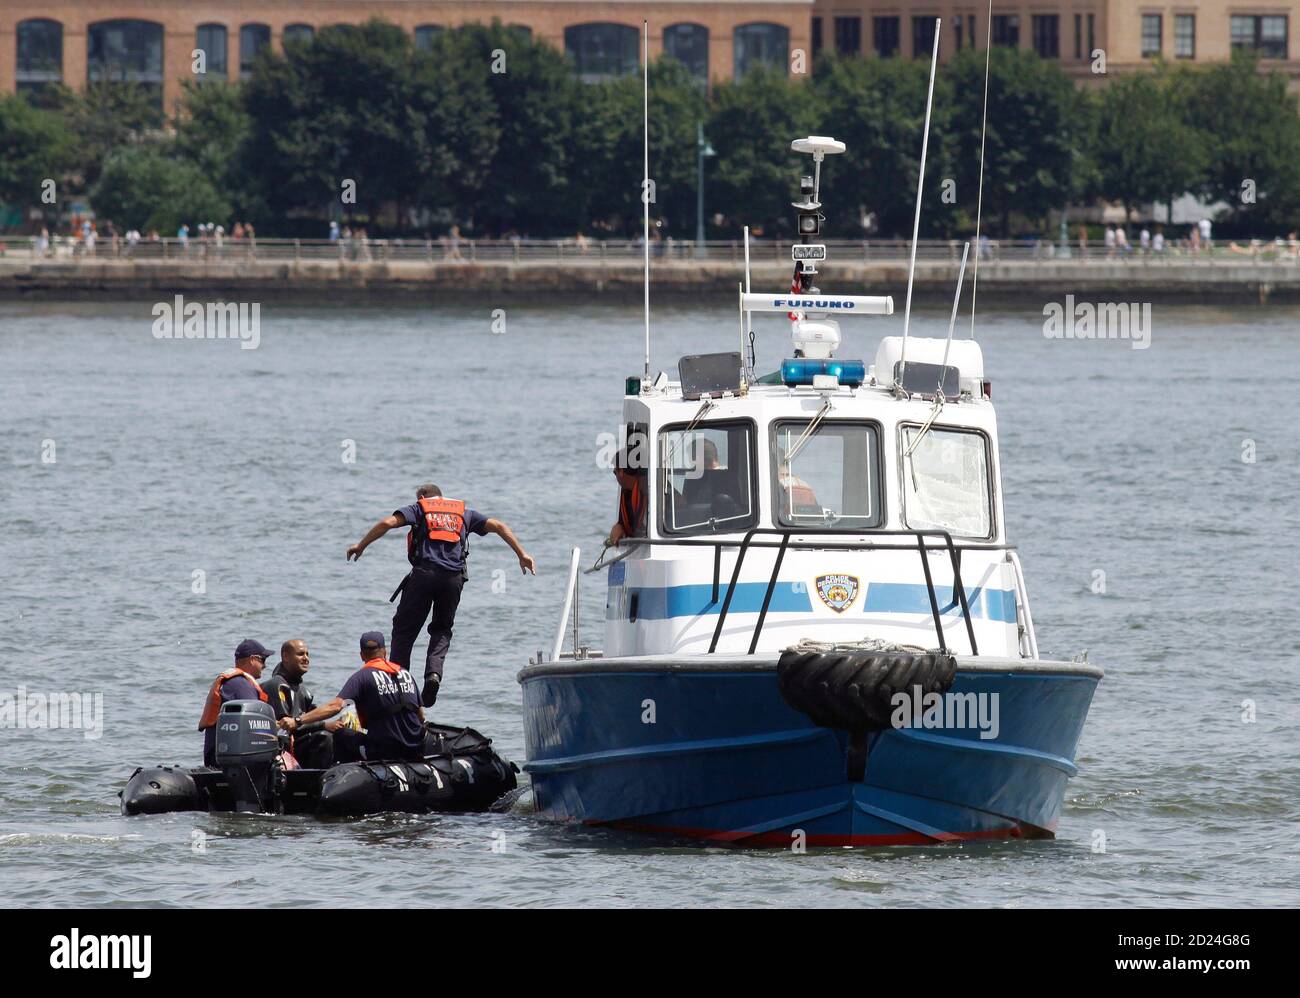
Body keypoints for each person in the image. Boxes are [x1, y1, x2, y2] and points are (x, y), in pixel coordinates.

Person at [347, 484, 536, 707]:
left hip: (424, 575)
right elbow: (498, 525)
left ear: (421, 496)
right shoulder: (463, 512)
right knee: (441, 630)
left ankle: (400, 684)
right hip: (453, 579)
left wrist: (361, 545)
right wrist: (522, 554)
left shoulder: (419, 508)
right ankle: (433, 676)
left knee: (404, 631)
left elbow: (388, 523)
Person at [279, 632, 426, 762]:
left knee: (342, 734)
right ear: (385, 652)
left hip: (384, 751)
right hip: (416, 749)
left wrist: (297, 721)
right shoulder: (406, 674)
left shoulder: (362, 677)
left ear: (362, 655)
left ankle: (344, 778)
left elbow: (335, 706)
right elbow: (420, 716)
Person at [262, 639, 338, 768]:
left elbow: (313, 716)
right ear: (286, 657)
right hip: (283, 748)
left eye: (308, 654)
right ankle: (314, 781)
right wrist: (325, 725)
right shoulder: (277, 685)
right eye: (301, 654)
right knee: (324, 738)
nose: (306, 658)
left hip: (301, 741)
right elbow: (283, 726)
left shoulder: (303, 689)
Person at [198, 639, 273, 767]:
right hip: (230, 763)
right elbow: (253, 724)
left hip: (220, 755)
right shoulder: (240, 685)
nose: (265, 666)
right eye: (263, 660)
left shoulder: (236, 682)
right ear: (253, 659)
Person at [608, 450, 646, 546]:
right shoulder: (627, 494)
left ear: (621, 471)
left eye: (614, 472)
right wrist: (619, 526)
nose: (615, 476)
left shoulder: (648, 491)